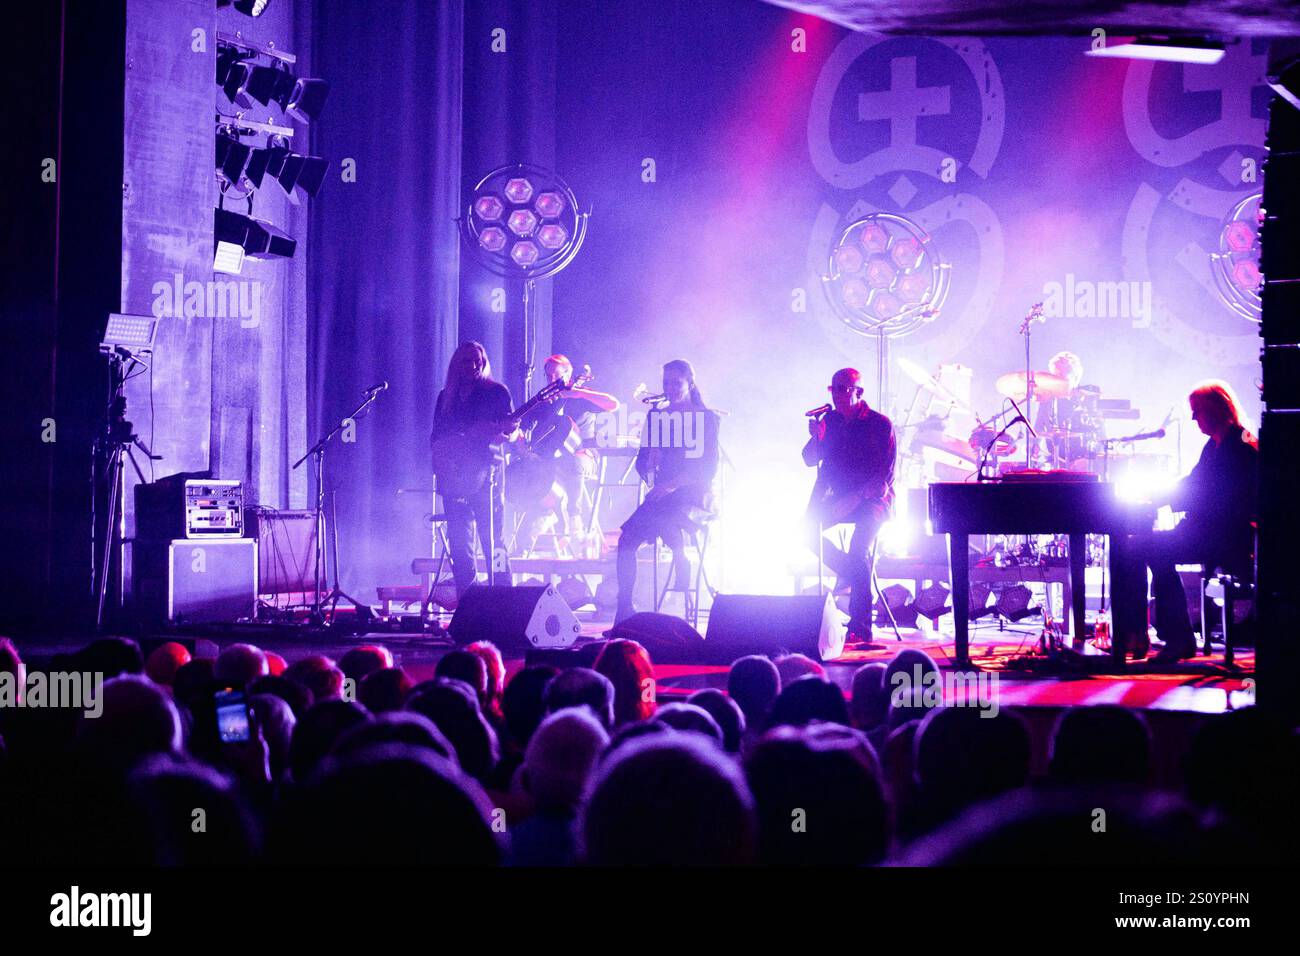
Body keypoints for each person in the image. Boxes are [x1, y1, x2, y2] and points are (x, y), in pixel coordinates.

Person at [1118, 380, 1258, 663]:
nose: (1193, 418)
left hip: (1228, 535)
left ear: (1220, 409)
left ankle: (1174, 638)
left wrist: (1160, 499)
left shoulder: (1240, 444)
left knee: (1148, 550)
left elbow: (1219, 495)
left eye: (1198, 411)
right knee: (1139, 548)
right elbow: (1194, 483)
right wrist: (1157, 496)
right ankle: (1143, 634)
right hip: (1208, 530)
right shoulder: (1214, 446)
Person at [614, 359, 720, 623]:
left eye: (676, 382)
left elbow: (708, 468)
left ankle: (679, 554)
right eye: (665, 383)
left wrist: (671, 484)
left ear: (690, 383)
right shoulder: (657, 416)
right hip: (662, 496)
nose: (670, 388)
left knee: (665, 517)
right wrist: (650, 464)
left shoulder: (706, 418)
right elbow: (642, 465)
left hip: (692, 494)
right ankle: (624, 610)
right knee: (626, 540)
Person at [802, 367, 896, 641]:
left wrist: (852, 500)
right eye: (834, 390)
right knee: (805, 532)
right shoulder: (829, 422)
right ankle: (857, 577)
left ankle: (861, 628)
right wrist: (817, 436)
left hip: (872, 500)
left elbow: (882, 479)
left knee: (858, 550)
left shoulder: (879, 424)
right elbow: (809, 459)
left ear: (858, 392)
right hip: (837, 497)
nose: (838, 395)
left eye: (844, 389)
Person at [431, 342, 517, 595]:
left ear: (484, 361)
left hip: (487, 472)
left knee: (494, 540)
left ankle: (504, 599)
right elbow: (436, 437)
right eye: (466, 360)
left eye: (477, 360)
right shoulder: (446, 396)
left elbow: (511, 431)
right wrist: (443, 463)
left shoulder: (496, 392)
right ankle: (467, 599)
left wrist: (508, 433)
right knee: (460, 542)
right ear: (457, 365)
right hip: (455, 475)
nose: (472, 365)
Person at [512, 354, 620, 555]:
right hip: (552, 462)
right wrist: (523, 448)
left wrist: (578, 393)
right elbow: (519, 425)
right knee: (537, 480)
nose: (552, 380)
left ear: (568, 374)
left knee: (573, 463)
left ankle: (574, 519)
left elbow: (613, 404)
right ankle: (525, 543)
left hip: (584, 456)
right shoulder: (545, 399)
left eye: (556, 375)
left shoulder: (581, 394)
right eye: (548, 375)